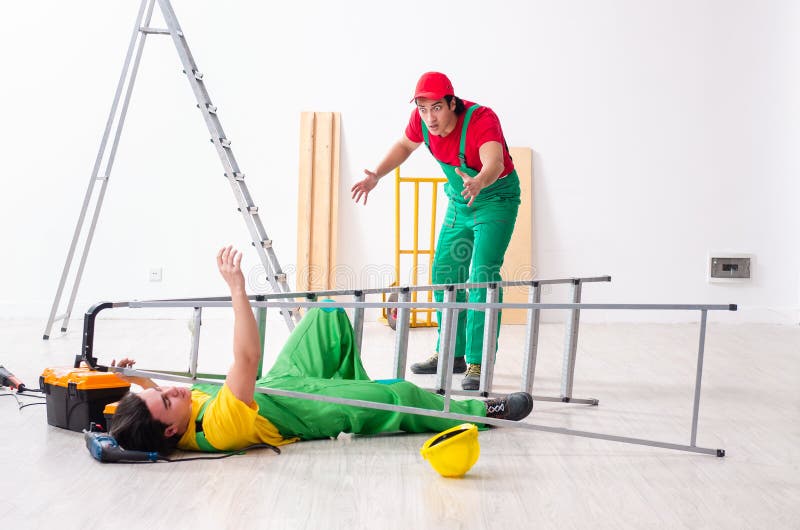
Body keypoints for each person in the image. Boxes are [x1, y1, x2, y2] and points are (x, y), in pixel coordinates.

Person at [109, 246, 533, 455]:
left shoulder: (175, 416)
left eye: (161, 389)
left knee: (326, 314)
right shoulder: (218, 428)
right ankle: (482, 412)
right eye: (166, 399)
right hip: (304, 409)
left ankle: (359, 393)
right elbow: (246, 359)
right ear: (171, 432)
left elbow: (162, 403)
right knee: (401, 393)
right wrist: (238, 288)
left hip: (281, 383)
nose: (172, 390)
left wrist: (138, 382)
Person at [351, 72, 521, 391]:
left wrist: (479, 181)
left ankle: (478, 361)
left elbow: (495, 163)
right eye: (423, 108)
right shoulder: (421, 121)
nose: (429, 117)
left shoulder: (481, 119)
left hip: (495, 201)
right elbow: (405, 145)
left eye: (437, 108)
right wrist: (376, 175)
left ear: (452, 103)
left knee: (482, 275)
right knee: (445, 272)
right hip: (460, 203)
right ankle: (452, 353)